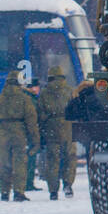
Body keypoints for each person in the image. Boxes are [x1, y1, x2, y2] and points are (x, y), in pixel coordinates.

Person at [0, 71, 40, 201]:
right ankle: (18, 192)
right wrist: (35, 140)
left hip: (3, 131)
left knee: (5, 163)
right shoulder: (25, 99)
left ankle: (4, 192)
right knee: (20, 162)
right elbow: (31, 121)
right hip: (19, 131)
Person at [37, 65, 78, 199]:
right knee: (69, 158)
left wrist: (42, 130)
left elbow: (40, 114)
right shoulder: (70, 90)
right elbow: (76, 110)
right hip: (68, 127)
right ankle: (68, 185)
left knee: (52, 160)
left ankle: (53, 191)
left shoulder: (44, 93)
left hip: (51, 127)